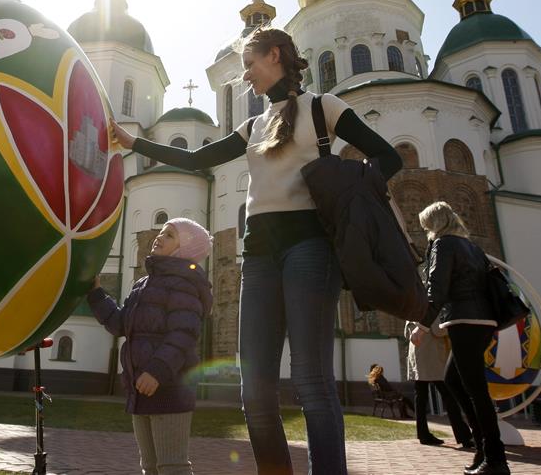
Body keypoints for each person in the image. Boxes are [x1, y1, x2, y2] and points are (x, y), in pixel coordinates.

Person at [111, 27, 402, 475]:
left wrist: (343, 189)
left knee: (311, 382)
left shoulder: (323, 107)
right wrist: (134, 144)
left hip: (310, 249)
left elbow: (387, 157)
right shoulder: (253, 126)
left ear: (274, 56)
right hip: (260, 256)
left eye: (249, 64)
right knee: (255, 391)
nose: (246, 76)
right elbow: (193, 161)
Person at [88, 218, 213, 475]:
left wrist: (157, 371)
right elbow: (122, 325)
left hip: (168, 387)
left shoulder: (185, 284)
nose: (159, 236)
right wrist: (97, 295)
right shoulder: (143, 285)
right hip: (140, 387)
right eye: (162, 231)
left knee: (172, 466)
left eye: (169, 235)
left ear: (184, 249)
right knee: (150, 467)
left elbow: (184, 333)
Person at [411, 201, 510, 475]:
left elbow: (437, 289)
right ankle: (483, 449)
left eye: (426, 226)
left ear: (435, 224)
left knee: (476, 391)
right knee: (454, 380)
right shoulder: (472, 247)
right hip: (485, 320)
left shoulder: (443, 245)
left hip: (464, 319)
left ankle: (495, 459)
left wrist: (421, 325)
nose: (425, 231)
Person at [404, 319, 474, 447]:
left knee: (421, 396)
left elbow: (406, 332)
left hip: (419, 355)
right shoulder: (430, 305)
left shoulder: (414, 306)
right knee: (449, 395)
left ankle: (423, 434)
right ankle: (464, 436)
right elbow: (438, 329)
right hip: (432, 355)